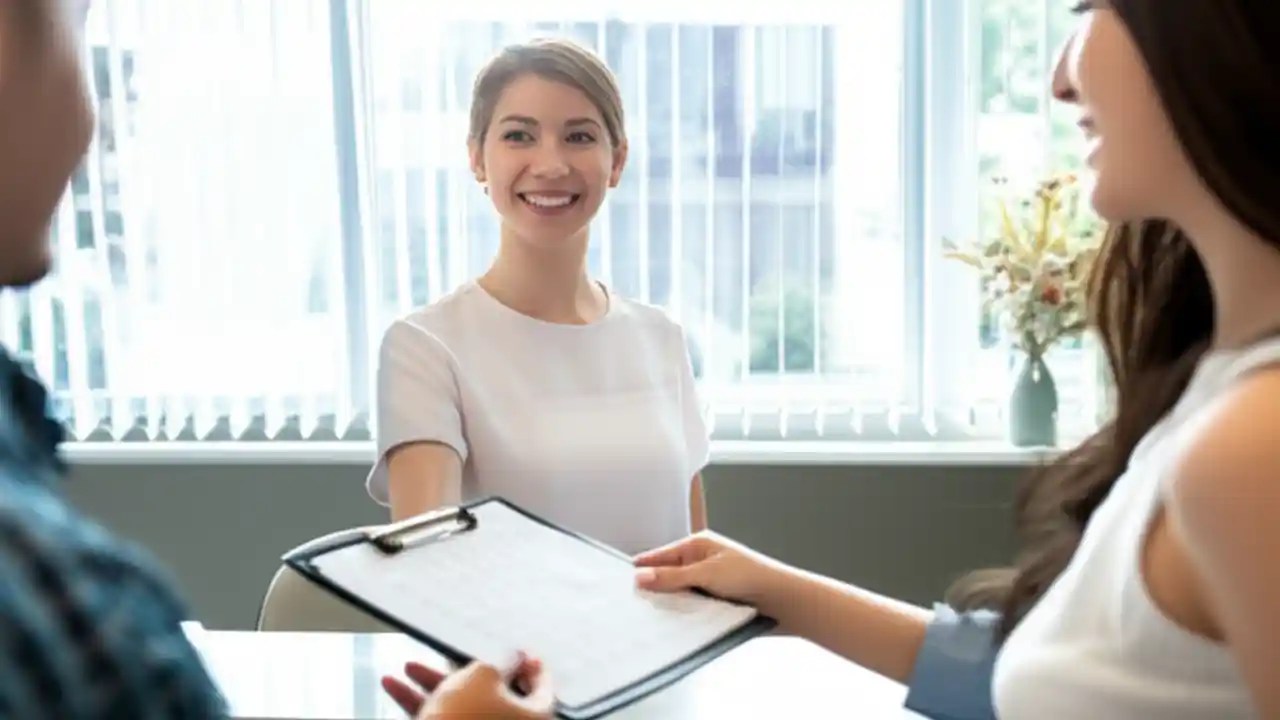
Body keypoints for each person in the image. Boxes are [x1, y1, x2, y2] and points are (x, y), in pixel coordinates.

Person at [633, 2, 1280, 719]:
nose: (1060, 79)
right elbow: (1049, 680)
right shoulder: (1210, 400)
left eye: (1092, 6)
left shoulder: (1252, 443)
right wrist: (776, 590)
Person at [0, 2, 547, 717]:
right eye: (76, 25)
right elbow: (437, 567)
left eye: (581, 135)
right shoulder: (51, 601)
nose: (90, 117)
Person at [366, 38, 711, 555]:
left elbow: (700, 563)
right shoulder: (424, 347)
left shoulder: (660, 338)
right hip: (501, 615)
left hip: (669, 614)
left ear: (617, 161)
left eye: (579, 136)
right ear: (477, 158)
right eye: (519, 135)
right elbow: (427, 566)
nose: (550, 164)